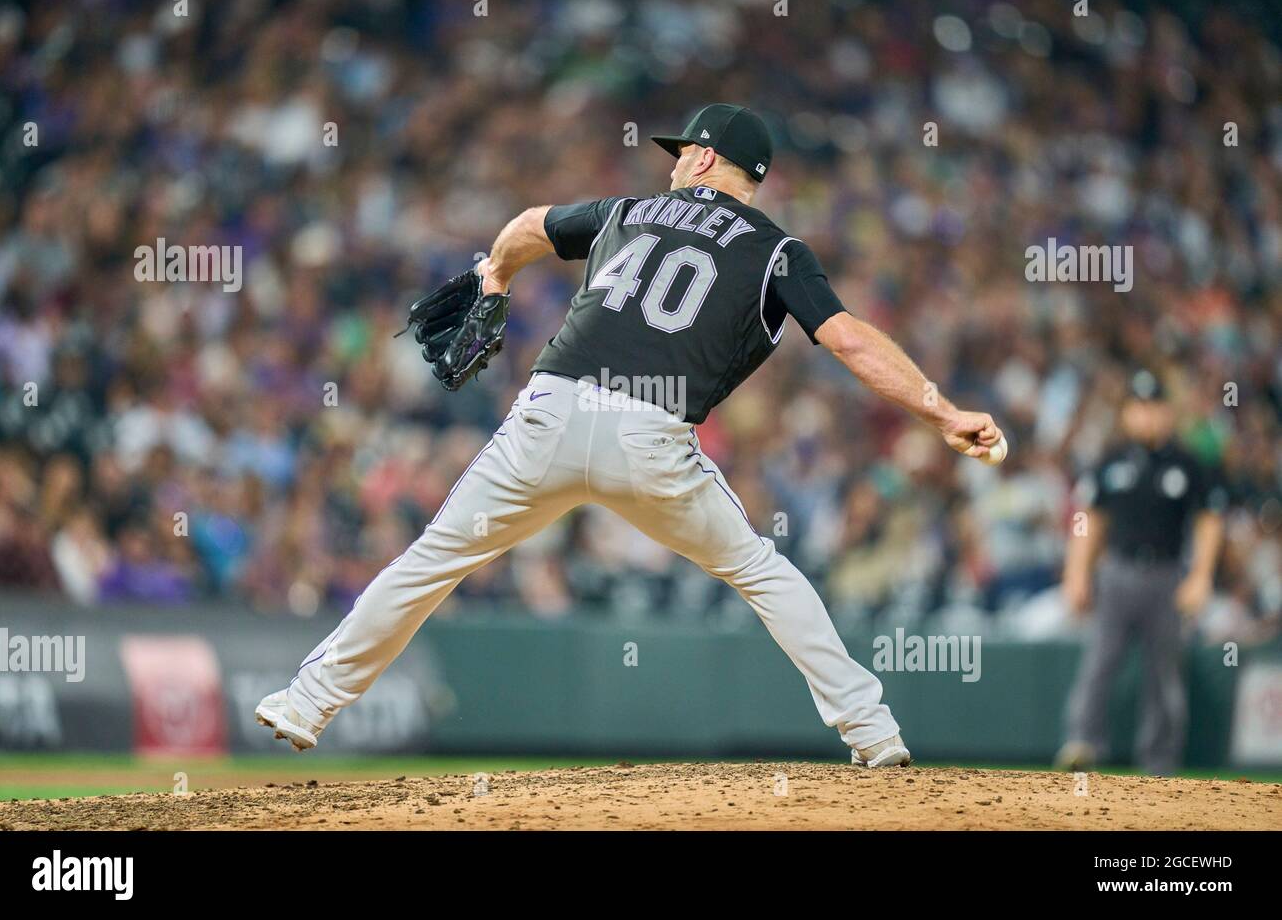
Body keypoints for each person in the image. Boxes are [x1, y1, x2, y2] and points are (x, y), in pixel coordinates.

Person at [255, 104, 1006, 767]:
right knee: (761, 571)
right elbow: (849, 342)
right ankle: (872, 733)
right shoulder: (779, 252)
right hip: (651, 439)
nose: (675, 160)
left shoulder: (626, 211)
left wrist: (494, 281)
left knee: (433, 559)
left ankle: (306, 702)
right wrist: (942, 412)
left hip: (549, 413)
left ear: (708, 158)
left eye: (684, 149)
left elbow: (524, 228)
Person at [1057, 370, 1226, 775]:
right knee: (1099, 663)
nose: (1146, 416)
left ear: (1167, 413)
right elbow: (1088, 520)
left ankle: (1159, 762)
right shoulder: (1110, 461)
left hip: (1167, 576)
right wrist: (1076, 573)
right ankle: (1082, 744)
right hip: (1117, 573)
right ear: (1127, 413)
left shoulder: (1187, 464)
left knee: (1164, 675)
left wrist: (1201, 576)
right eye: (1138, 407)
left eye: (1153, 407)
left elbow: (1209, 521)